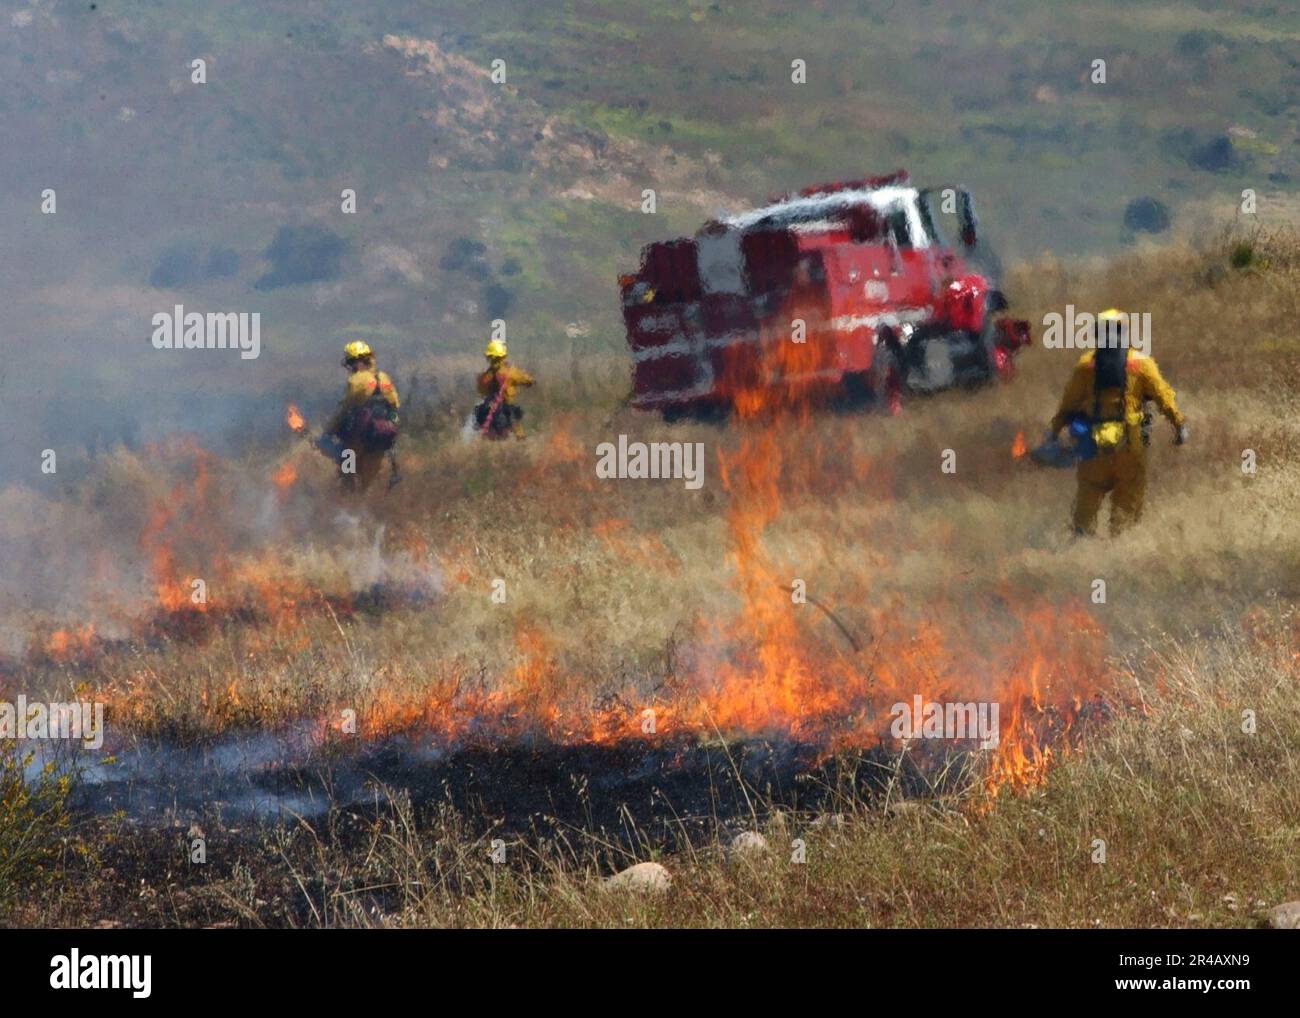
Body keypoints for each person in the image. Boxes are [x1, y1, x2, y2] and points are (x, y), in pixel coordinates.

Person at [1049, 309, 1186, 536]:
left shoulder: (1085, 365)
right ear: (1125, 332)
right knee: (1126, 520)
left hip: (1093, 451)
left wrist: (1053, 434)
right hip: (1130, 450)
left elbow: (1067, 406)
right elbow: (1164, 398)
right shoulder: (1141, 363)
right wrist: (1179, 426)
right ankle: (1118, 553)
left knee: (1084, 513)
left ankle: (1080, 549)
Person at [323, 340, 400, 491]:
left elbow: (344, 410)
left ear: (353, 362)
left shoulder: (356, 380)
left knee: (346, 474)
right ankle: (366, 507)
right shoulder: (383, 378)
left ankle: (348, 505)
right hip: (381, 439)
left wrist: (329, 430)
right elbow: (395, 405)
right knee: (367, 484)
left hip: (356, 441)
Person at [474, 339, 534, 439]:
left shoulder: (485, 376)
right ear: (503, 357)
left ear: (489, 358)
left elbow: (481, 391)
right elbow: (528, 381)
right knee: (519, 436)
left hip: (489, 412)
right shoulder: (511, 372)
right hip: (507, 412)